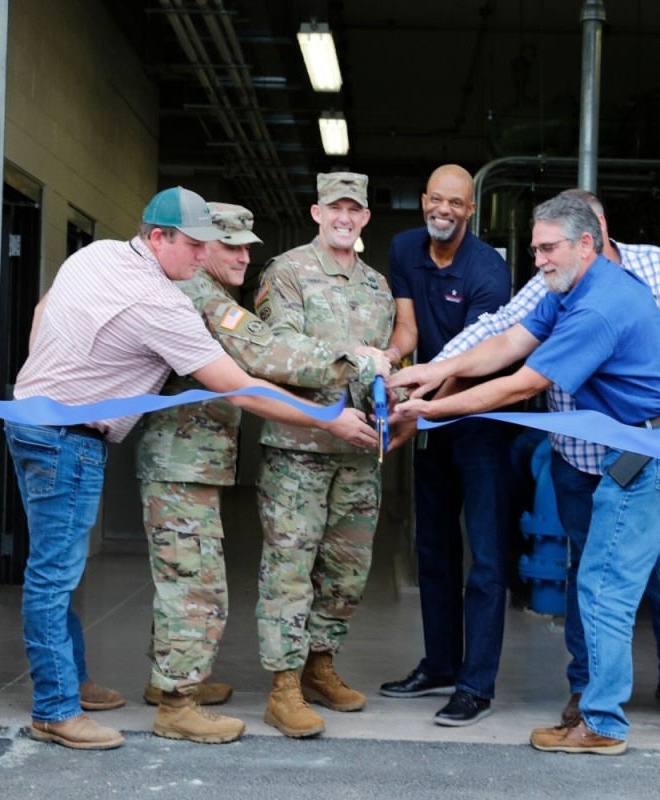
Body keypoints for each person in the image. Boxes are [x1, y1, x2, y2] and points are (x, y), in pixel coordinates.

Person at [6, 186, 377, 751]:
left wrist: (53, 377)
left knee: (59, 571)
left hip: (41, 422)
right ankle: (64, 709)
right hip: (72, 438)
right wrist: (335, 406)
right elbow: (245, 379)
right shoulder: (168, 300)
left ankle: (79, 682)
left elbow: (43, 310)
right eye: (201, 245)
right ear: (158, 238)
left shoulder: (99, 254)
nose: (207, 257)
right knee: (67, 577)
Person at [388, 193, 660, 755]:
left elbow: (524, 384)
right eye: (534, 249)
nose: (537, 260)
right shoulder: (572, 287)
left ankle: (601, 723)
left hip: (646, 454)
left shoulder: (597, 308)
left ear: (586, 243)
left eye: (547, 248)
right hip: (655, 444)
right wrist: (434, 373)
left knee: (602, 587)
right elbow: (509, 341)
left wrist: (432, 410)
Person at [134, 203, 387, 744]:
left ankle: (168, 682)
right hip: (183, 458)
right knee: (195, 580)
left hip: (197, 456)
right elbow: (266, 352)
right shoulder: (202, 296)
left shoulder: (208, 293)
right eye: (231, 247)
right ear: (201, 246)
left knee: (187, 575)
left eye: (248, 247)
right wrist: (357, 360)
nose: (244, 258)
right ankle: (179, 700)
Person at [252, 172, 396, 738]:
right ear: (316, 212)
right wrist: (356, 356)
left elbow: (385, 363)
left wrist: (397, 394)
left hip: (358, 451)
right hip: (299, 449)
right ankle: (283, 685)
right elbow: (280, 350)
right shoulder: (287, 271)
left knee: (346, 570)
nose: (344, 217)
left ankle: (319, 665)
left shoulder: (378, 286)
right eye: (335, 208)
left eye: (354, 210)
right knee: (290, 567)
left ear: (365, 218)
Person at [377, 165, 515, 726]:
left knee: (486, 558)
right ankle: (439, 665)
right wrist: (388, 363)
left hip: (479, 422)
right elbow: (409, 330)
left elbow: (471, 359)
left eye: (456, 203)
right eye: (437, 199)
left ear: (470, 209)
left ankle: (475, 684)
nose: (444, 210)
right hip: (427, 415)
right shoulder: (404, 248)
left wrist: (424, 411)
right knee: (433, 549)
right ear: (423, 200)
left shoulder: (489, 270)